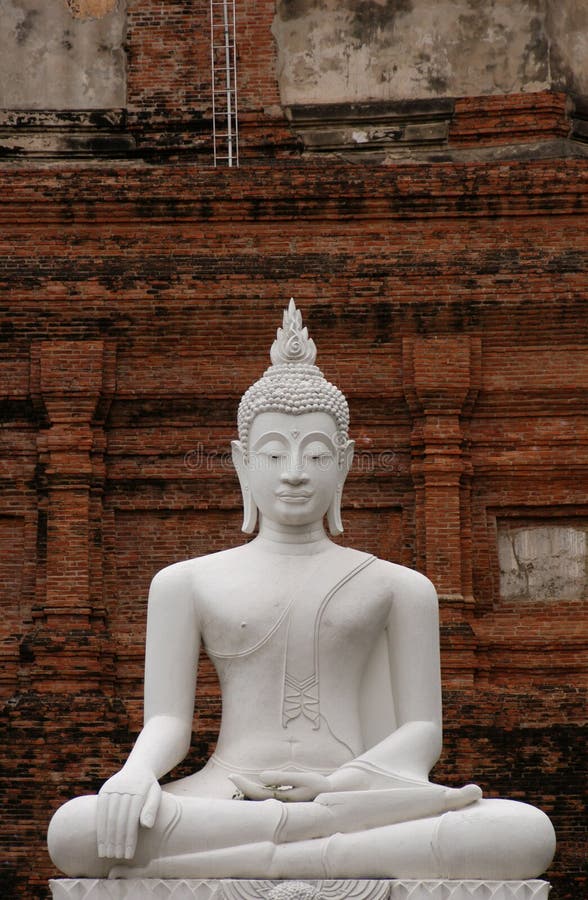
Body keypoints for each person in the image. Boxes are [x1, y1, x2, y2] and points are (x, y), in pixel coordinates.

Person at [48, 301, 555, 881]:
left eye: (315, 454)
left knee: (523, 832)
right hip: (223, 795)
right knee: (77, 830)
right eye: (272, 453)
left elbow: (421, 736)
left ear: (344, 464)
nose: (294, 471)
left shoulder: (401, 586)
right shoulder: (185, 582)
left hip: (353, 798)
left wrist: (337, 787)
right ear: (242, 463)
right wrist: (136, 774)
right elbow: (168, 721)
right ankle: (307, 849)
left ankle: (281, 850)